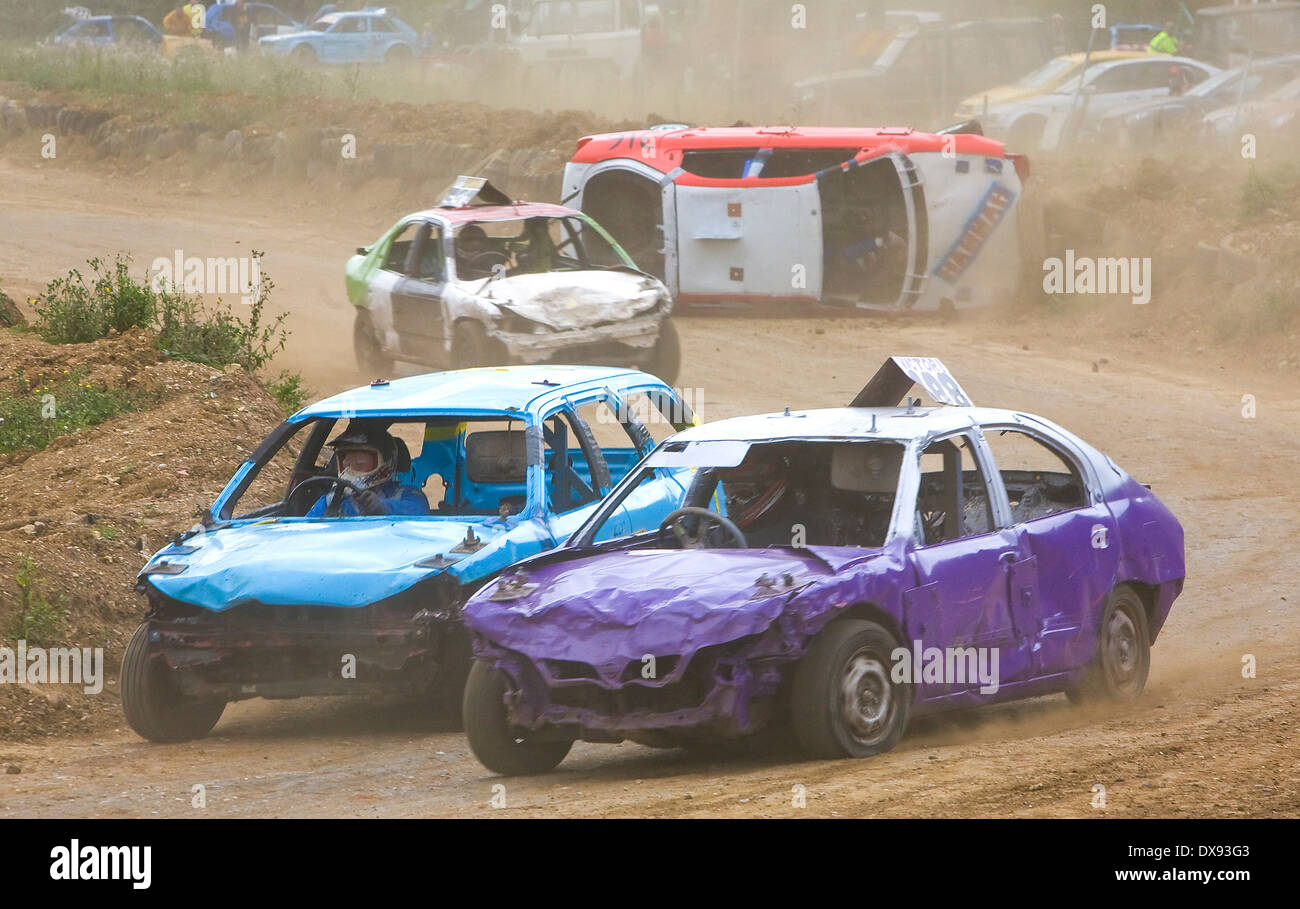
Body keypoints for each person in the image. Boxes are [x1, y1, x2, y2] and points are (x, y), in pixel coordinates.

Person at [306, 425, 430, 517]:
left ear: (385, 465)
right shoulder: (331, 501)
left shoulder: (407, 495)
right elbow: (304, 531)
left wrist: (383, 507)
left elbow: (418, 512)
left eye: (360, 463)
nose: (350, 469)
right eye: (346, 463)